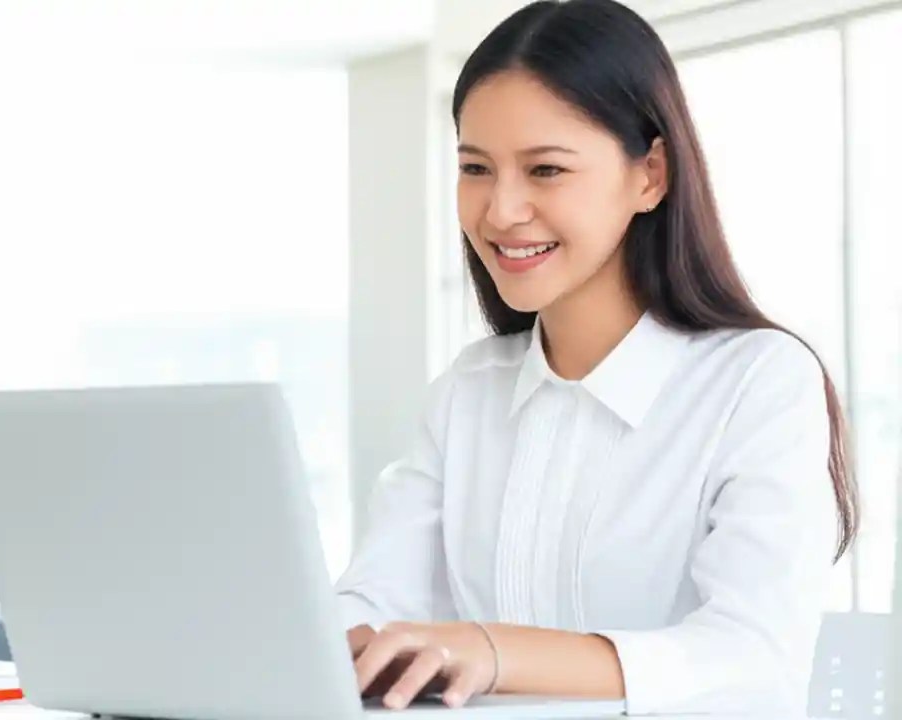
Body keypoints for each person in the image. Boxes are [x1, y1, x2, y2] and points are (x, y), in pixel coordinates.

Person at [334, 0, 858, 715]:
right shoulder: (467, 393)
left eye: (545, 170)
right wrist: (325, 639)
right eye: (476, 168)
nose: (500, 210)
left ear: (651, 175)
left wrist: (493, 651)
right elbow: (373, 597)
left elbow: (752, 656)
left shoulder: (759, 381)